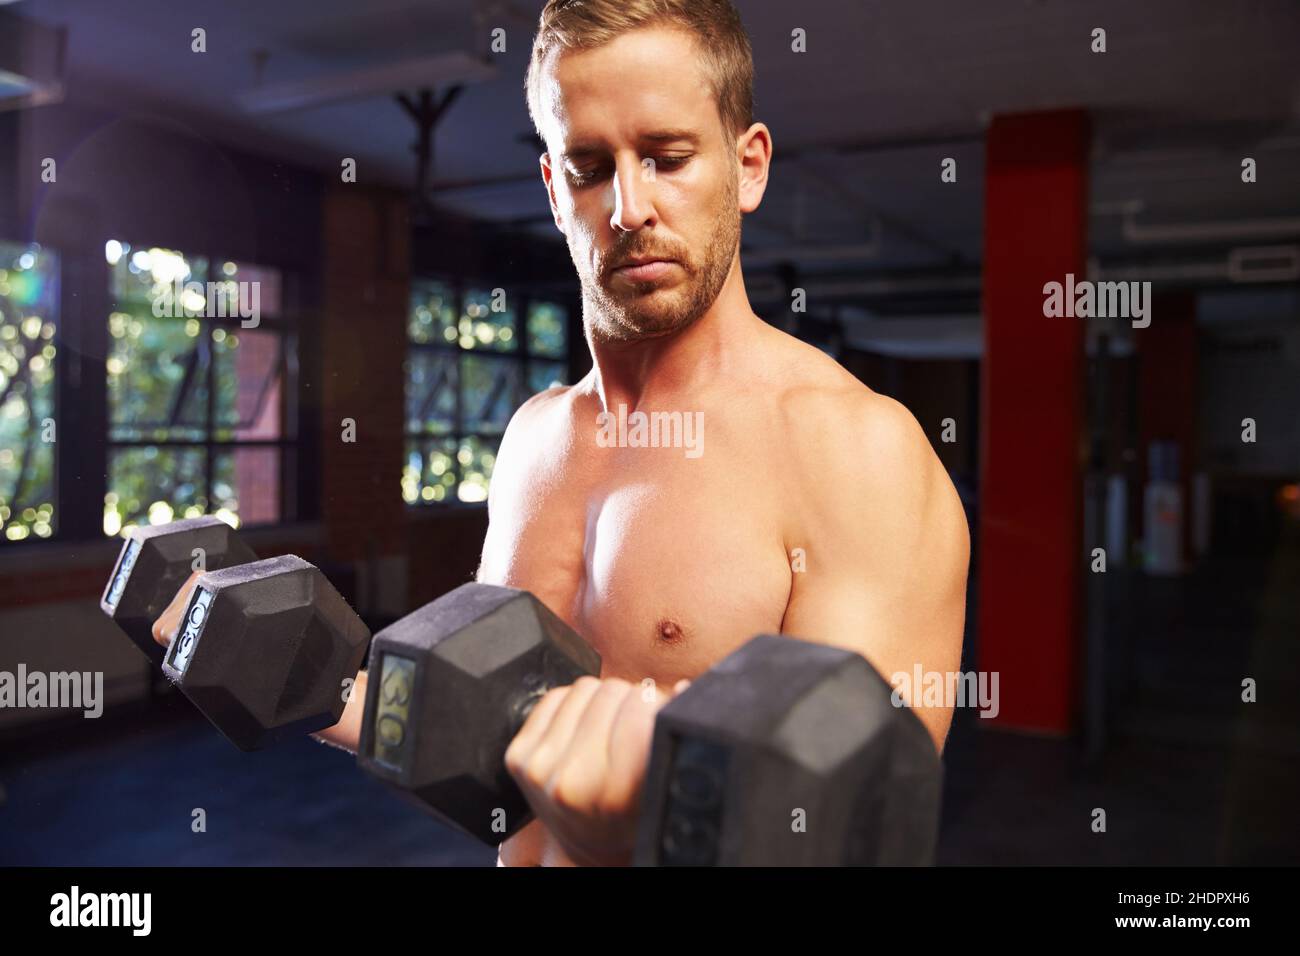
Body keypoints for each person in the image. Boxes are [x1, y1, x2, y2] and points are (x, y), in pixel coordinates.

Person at [154, 0, 969, 867]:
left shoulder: (856, 454)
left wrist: (621, 844)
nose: (628, 207)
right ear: (552, 189)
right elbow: (482, 729)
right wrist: (288, 673)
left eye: (667, 157)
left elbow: (849, 846)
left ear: (749, 164)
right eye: (590, 166)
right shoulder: (537, 440)